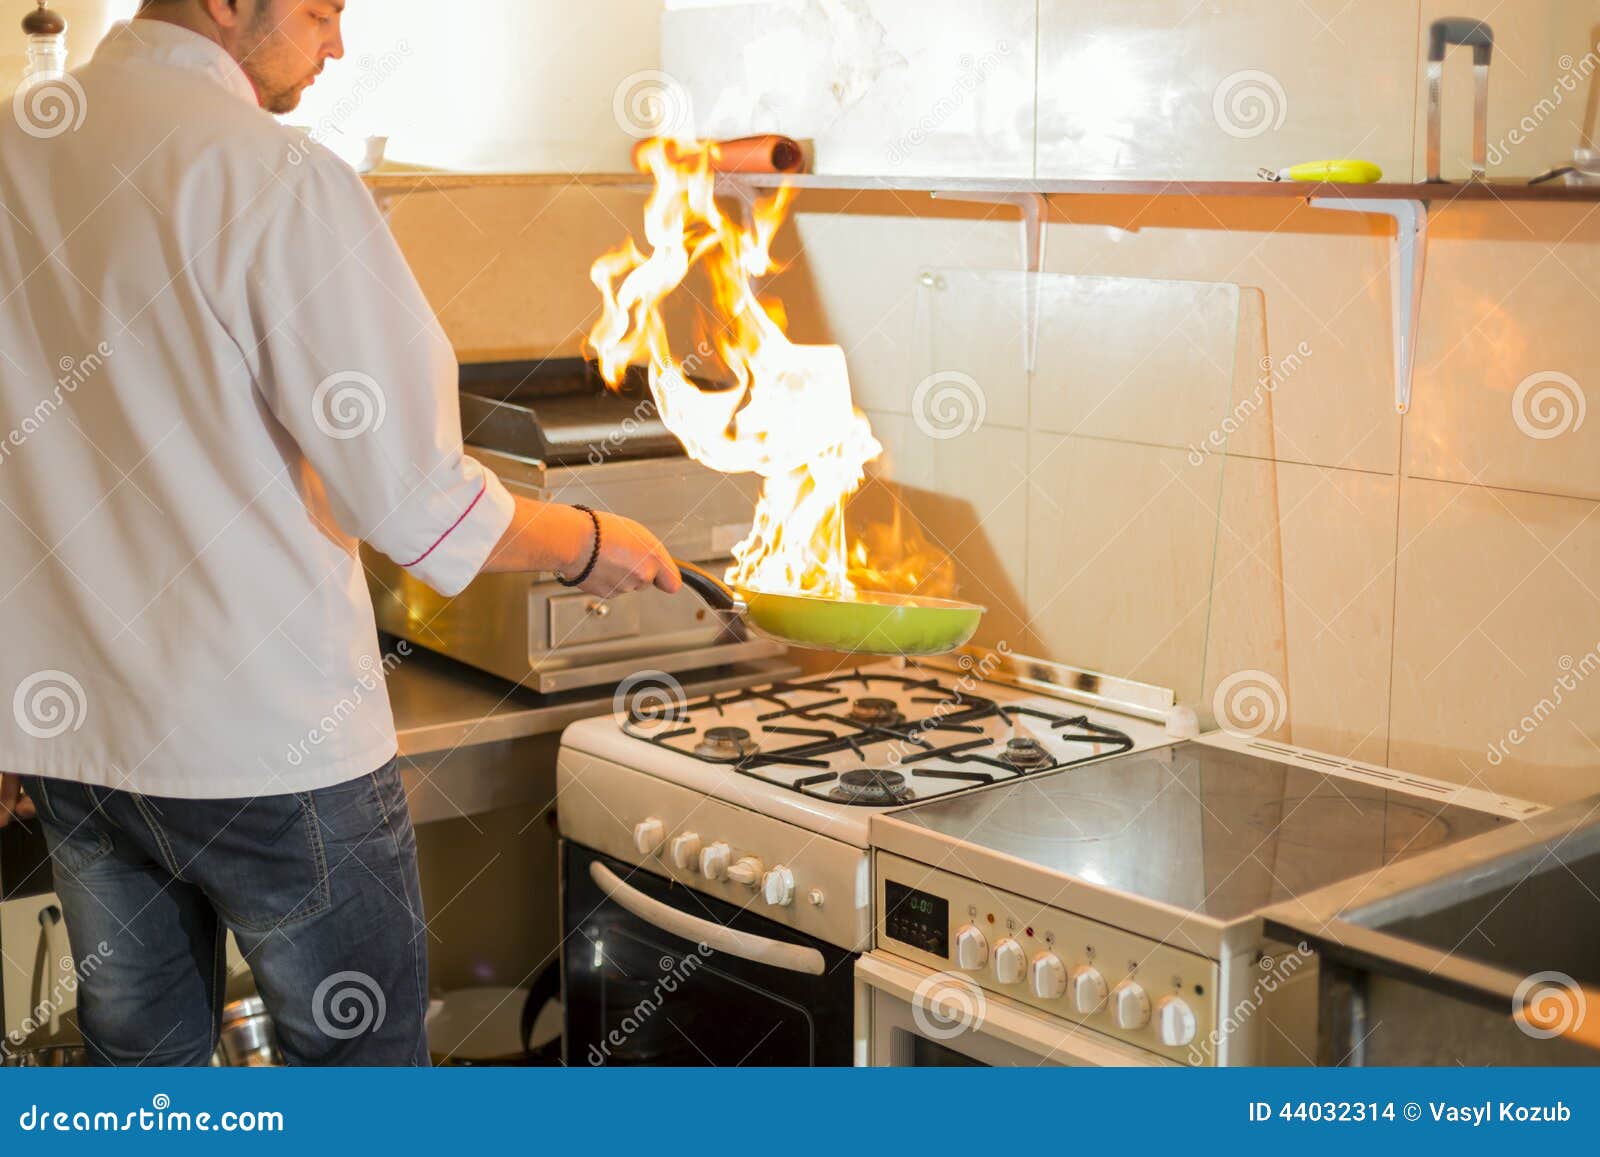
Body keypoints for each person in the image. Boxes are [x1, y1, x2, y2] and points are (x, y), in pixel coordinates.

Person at [0, 0, 679, 1065]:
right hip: (273, 746)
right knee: (359, 1082)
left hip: (77, 736)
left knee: (139, 1077)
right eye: (322, 11)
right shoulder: (275, 178)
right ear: (229, 5)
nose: (339, 45)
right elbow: (412, 499)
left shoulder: (15, 143)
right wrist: (590, 540)